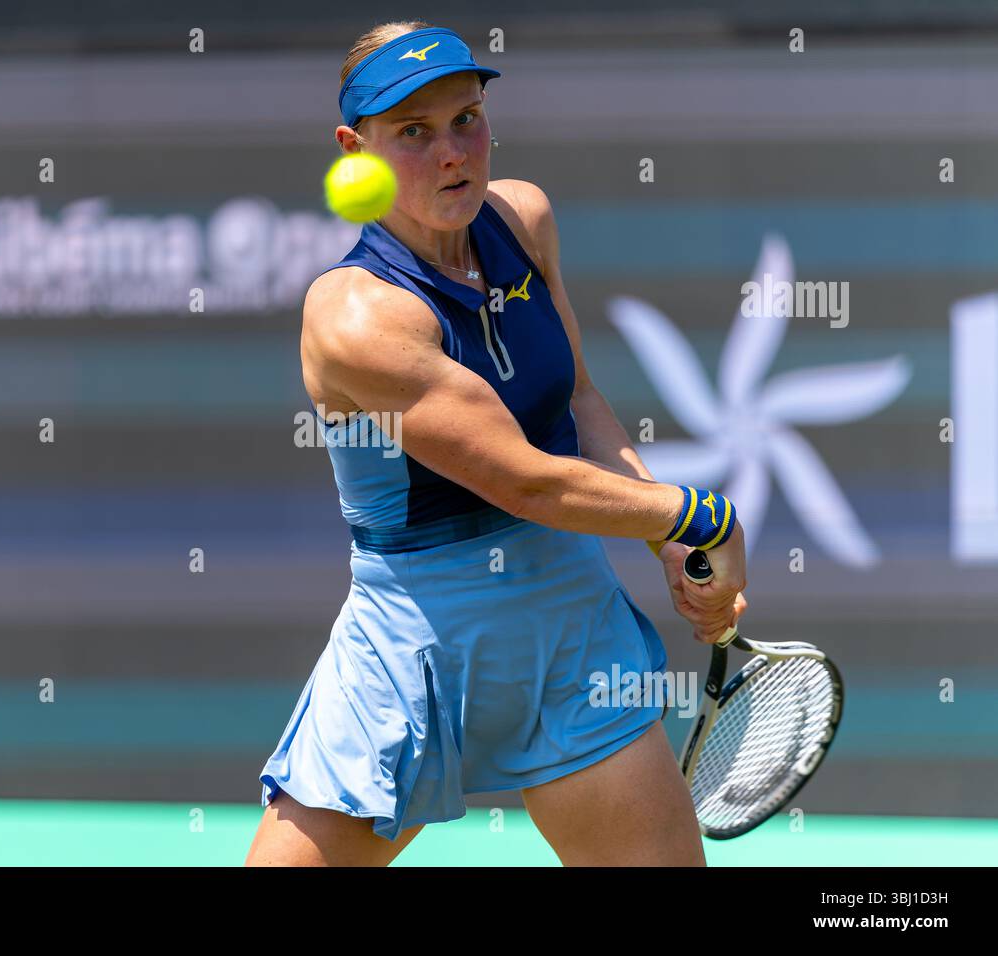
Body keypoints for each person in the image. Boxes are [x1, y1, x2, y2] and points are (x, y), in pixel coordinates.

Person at [246, 21, 748, 867]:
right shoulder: (356, 317)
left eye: (467, 118)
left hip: (570, 636)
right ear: (352, 149)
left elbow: (577, 397)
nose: (452, 153)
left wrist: (662, 530)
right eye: (414, 132)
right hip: (413, 653)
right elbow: (525, 482)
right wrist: (699, 516)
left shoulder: (524, 218)